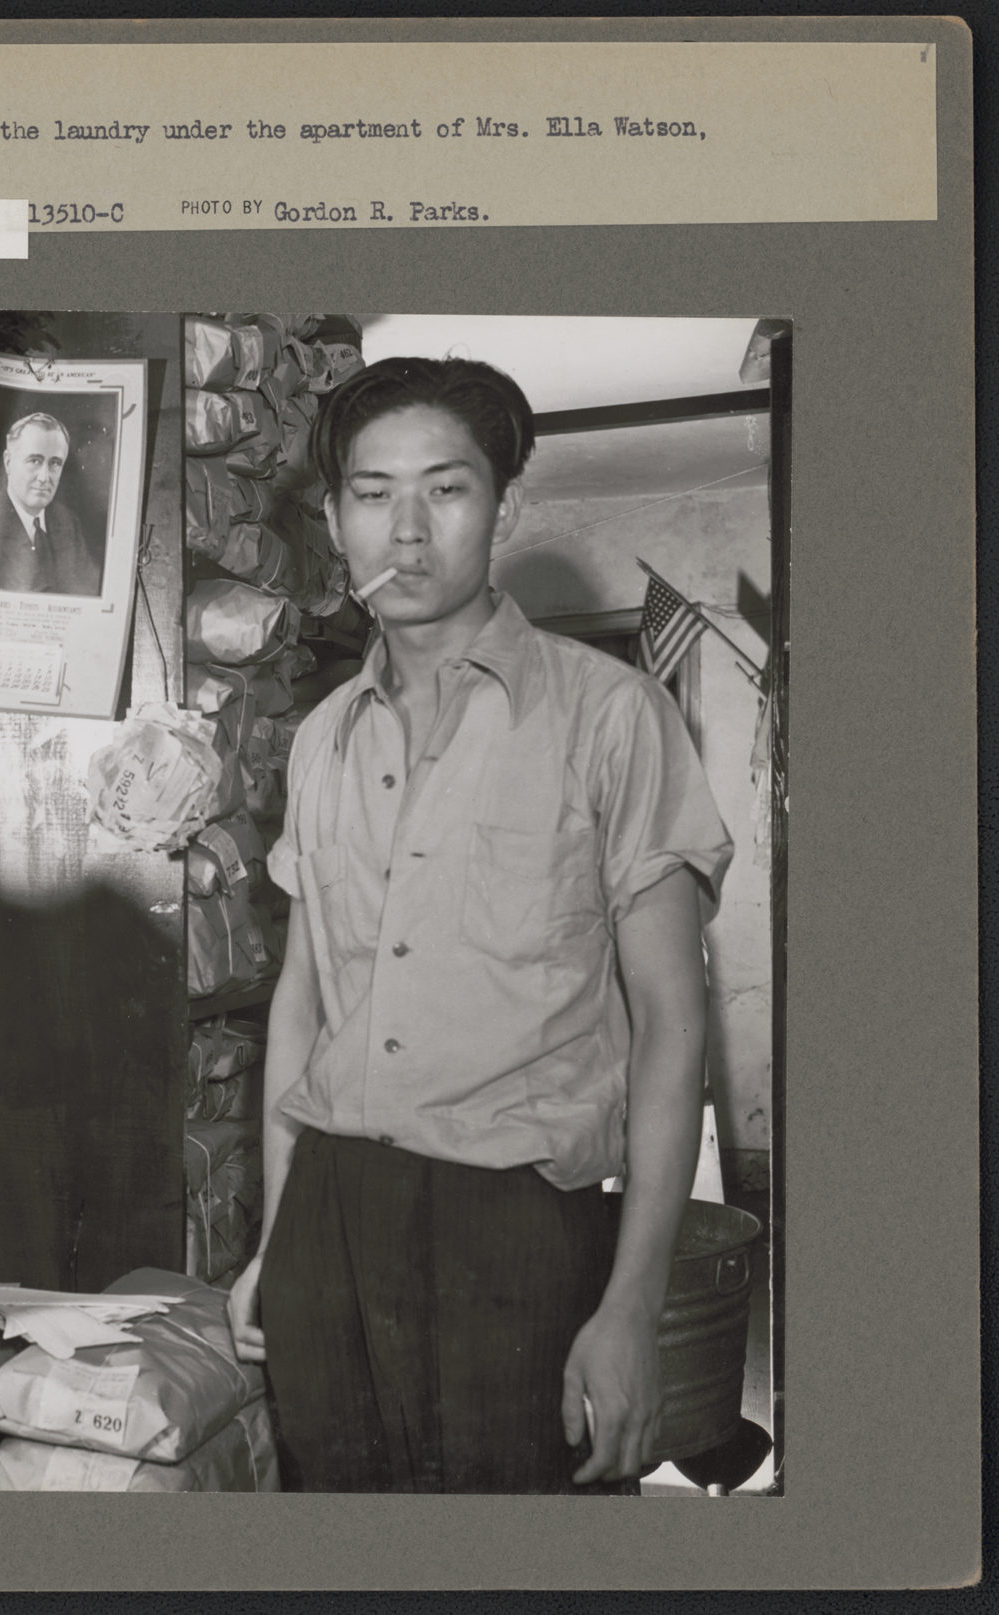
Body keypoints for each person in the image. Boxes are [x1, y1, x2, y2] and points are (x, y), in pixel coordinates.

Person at [227, 355, 734, 1494]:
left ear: (508, 508)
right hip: (329, 1218)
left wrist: (632, 1305)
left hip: (520, 1230)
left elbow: (669, 1021)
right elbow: (303, 1001)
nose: (405, 533)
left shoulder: (613, 716)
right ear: (335, 517)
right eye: (372, 493)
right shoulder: (321, 740)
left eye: (446, 490)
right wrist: (272, 1240)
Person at [0, 411, 104, 595]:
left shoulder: (68, 523)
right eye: (34, 461)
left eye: (55, 463)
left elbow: (88, 594)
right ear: (8, 462)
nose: (44, 478)